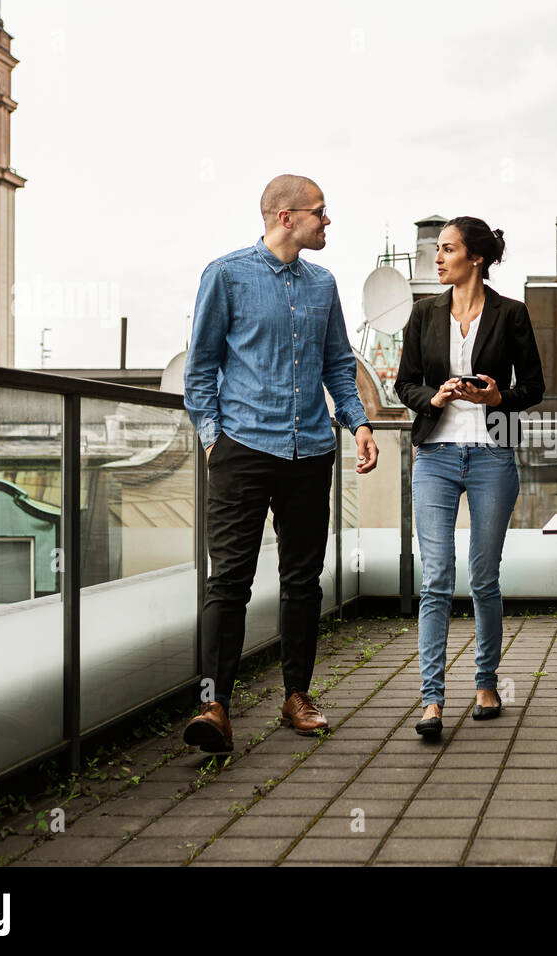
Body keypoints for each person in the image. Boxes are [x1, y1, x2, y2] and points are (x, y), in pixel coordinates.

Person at [181, 174, 379, 753]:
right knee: (229, 583)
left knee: (302, 582)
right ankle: (214, 706)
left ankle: (297, 696)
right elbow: (201, 367)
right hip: (242, 450)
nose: (327, 222)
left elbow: (339, 365)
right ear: (286, 216)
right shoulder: (226, 274)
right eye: (321, 212)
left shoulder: (324, 284)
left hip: (311, 452)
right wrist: (215, 439)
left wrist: (359, 424)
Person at [394, 217, 545, 739]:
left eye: (448, 249)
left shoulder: (512, 314)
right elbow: (404, 385)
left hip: (491, 457)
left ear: (475, 258)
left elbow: (534, 387)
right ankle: (431, 699)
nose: (438, 258)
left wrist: (496, 396)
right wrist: (434, 397)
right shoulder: (422, 313)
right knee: (435, 579)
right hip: (434, 455)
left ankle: (486, 683)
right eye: (437, 249)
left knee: (483, 577)